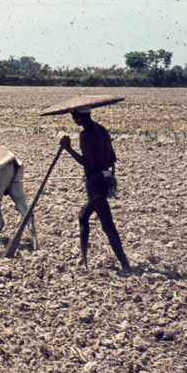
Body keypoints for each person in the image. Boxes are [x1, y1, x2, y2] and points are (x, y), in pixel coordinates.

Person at [60, 107, 131, 271]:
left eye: (75, 116)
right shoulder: (102, 130)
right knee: (83, 216)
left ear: (82, 116)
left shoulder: (86, 135)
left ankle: (126, 265)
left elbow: (88, 162)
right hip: (104, 179)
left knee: (107, 225)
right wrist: (104, 174)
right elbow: (112, 159)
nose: (74, 119)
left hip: (95, 184)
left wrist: (68, 149)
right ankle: (84, 260)